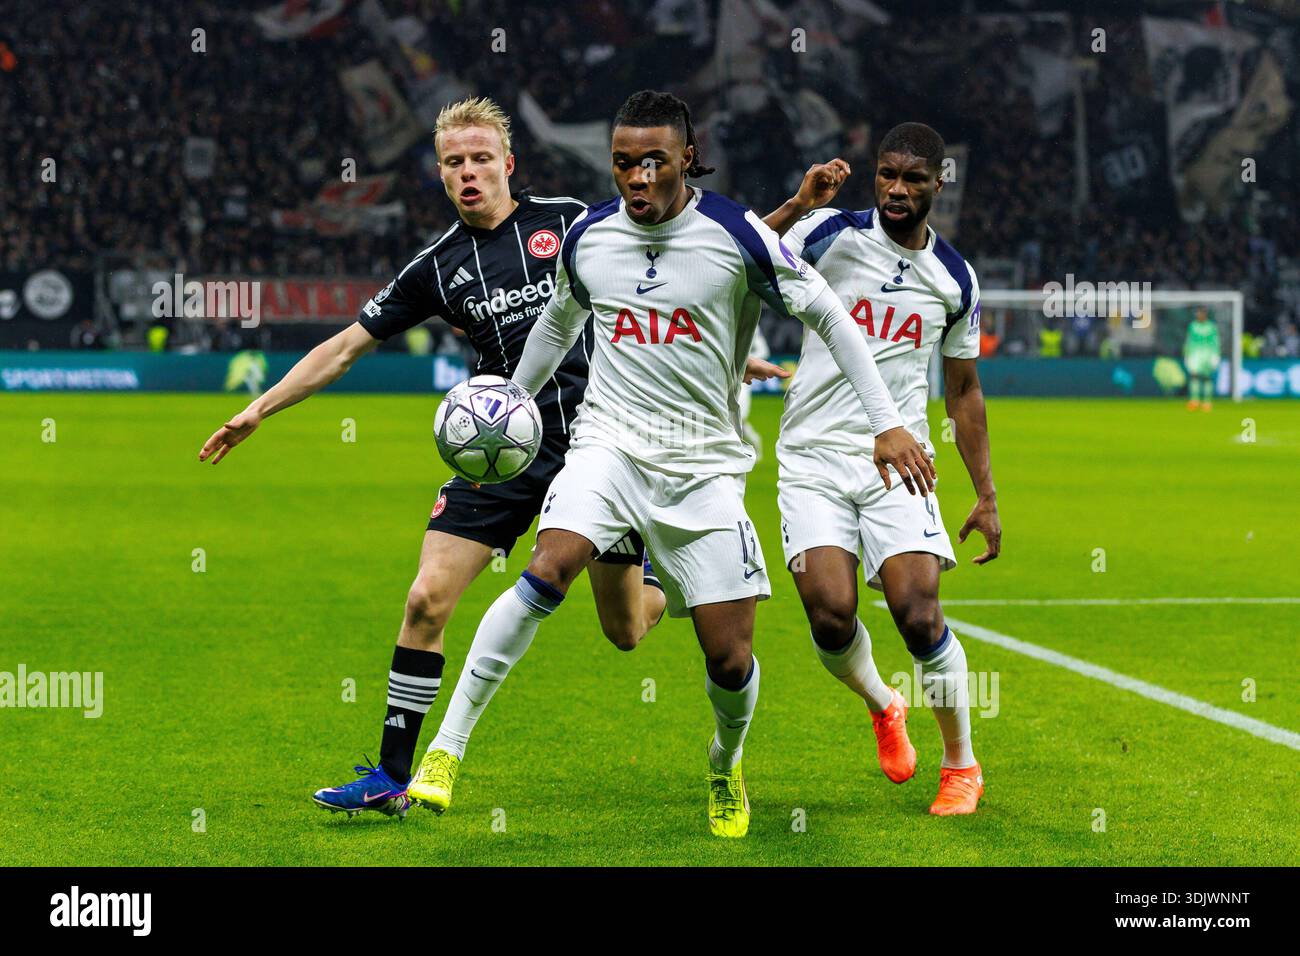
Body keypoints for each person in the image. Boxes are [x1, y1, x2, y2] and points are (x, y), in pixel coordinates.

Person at [406, 90, 934, 837]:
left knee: (728, 661)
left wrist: (888, 424)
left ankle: (725, 761)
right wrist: (512, 410)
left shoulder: (736, 234)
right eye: (624, 163)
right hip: (609, 447)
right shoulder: (590, 236)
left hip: (705, 467)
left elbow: (829, 316)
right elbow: (559, 323)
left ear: (687, 157)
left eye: (655, 161)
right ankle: (446, 753)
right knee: (547, 567)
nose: (639, 178)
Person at [776, 122, 1001, 815]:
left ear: (940, 182)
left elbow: (964, 392)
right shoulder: (827, 236)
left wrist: (986, 494)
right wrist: (797, 203)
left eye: (913, 178)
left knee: (917, 610)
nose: (897, 189)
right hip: (813, 455)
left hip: (900, 463)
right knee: (831, 614)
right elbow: (729, 253)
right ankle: (882, 703)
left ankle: (961, 765)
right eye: (887, 175)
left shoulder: (954, 278)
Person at [1183, 308, 1220, 411]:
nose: (1199, 315)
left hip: (1208, 354)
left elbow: (1215, 341)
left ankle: (1207, 402)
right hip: (1195, 354)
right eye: (1198, 314)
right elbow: (1188, 340)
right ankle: (1194, 401)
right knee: (1194, 376)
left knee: (1207, 377)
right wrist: (1187, 354)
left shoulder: (1211, 326)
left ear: (1205, 315)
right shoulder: (1193, 326)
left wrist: (1216, 355)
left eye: (1201, 314)